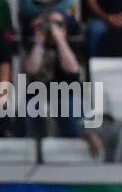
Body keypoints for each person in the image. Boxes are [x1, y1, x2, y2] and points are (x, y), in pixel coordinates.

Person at [14, 13, 102, 157]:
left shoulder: (71, 46)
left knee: (68, 106)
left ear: (65, 29)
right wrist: (39, 41)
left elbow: (72, 69)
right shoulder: (34, 46)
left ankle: (73, 148)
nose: (51, 28)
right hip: (38, 96)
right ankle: (29, 152)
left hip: (67, 95)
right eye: (48, 24)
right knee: (28, 108)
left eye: (57, 24)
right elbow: (31, 69)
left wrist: (60, 40)